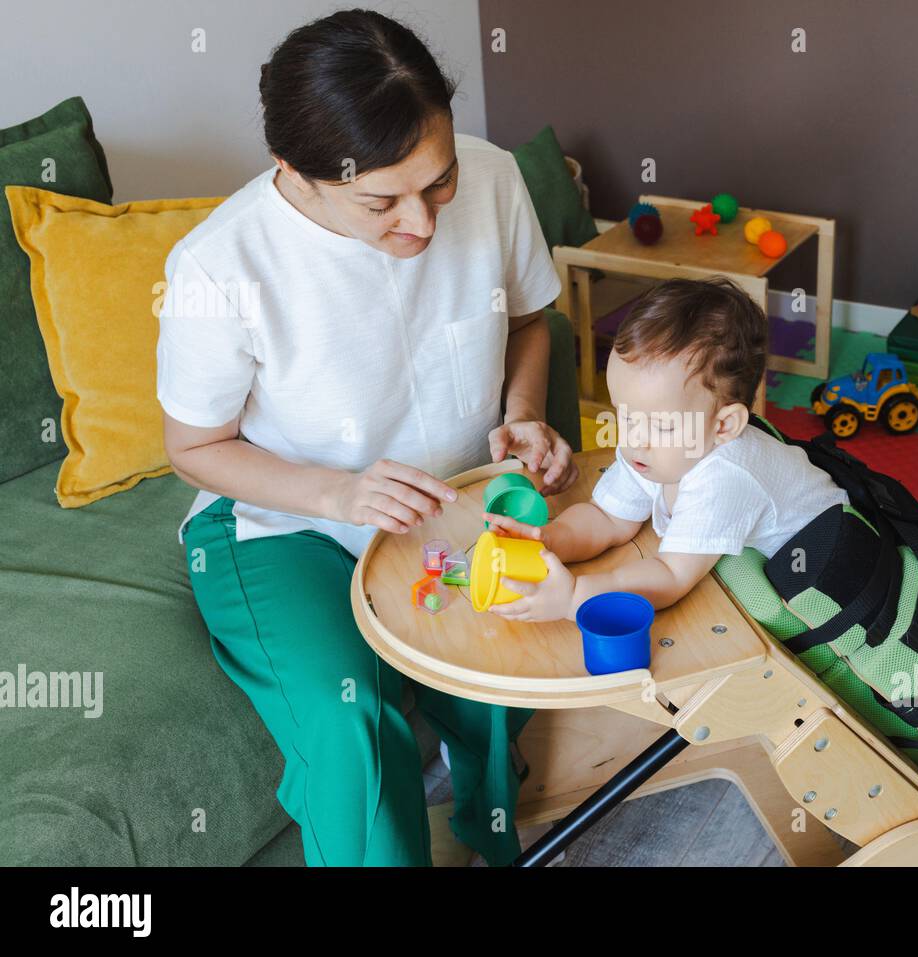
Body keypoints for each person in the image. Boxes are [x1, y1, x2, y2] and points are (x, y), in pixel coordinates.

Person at [157, 8, 575, 866]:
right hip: (281, 525)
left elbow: (533, 318)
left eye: (439, 182)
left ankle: (489, 827)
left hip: (444, 505)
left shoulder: (493, 178)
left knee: (500, 663)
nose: (421, 225)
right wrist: (338, 494)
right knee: (348, 720)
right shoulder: (220, 264)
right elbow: (194, 446)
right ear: (294, 174)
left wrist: (525, 412)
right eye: (380, 201)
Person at [481, 277, 848, 622]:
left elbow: (670, 576)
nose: (634, 439)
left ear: (723, 426)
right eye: (625, 416)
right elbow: (608, 518)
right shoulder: (653, 447)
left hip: (830, 573)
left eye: (662, 425)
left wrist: (575, 596)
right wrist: (548, 538)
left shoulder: (725, 477)